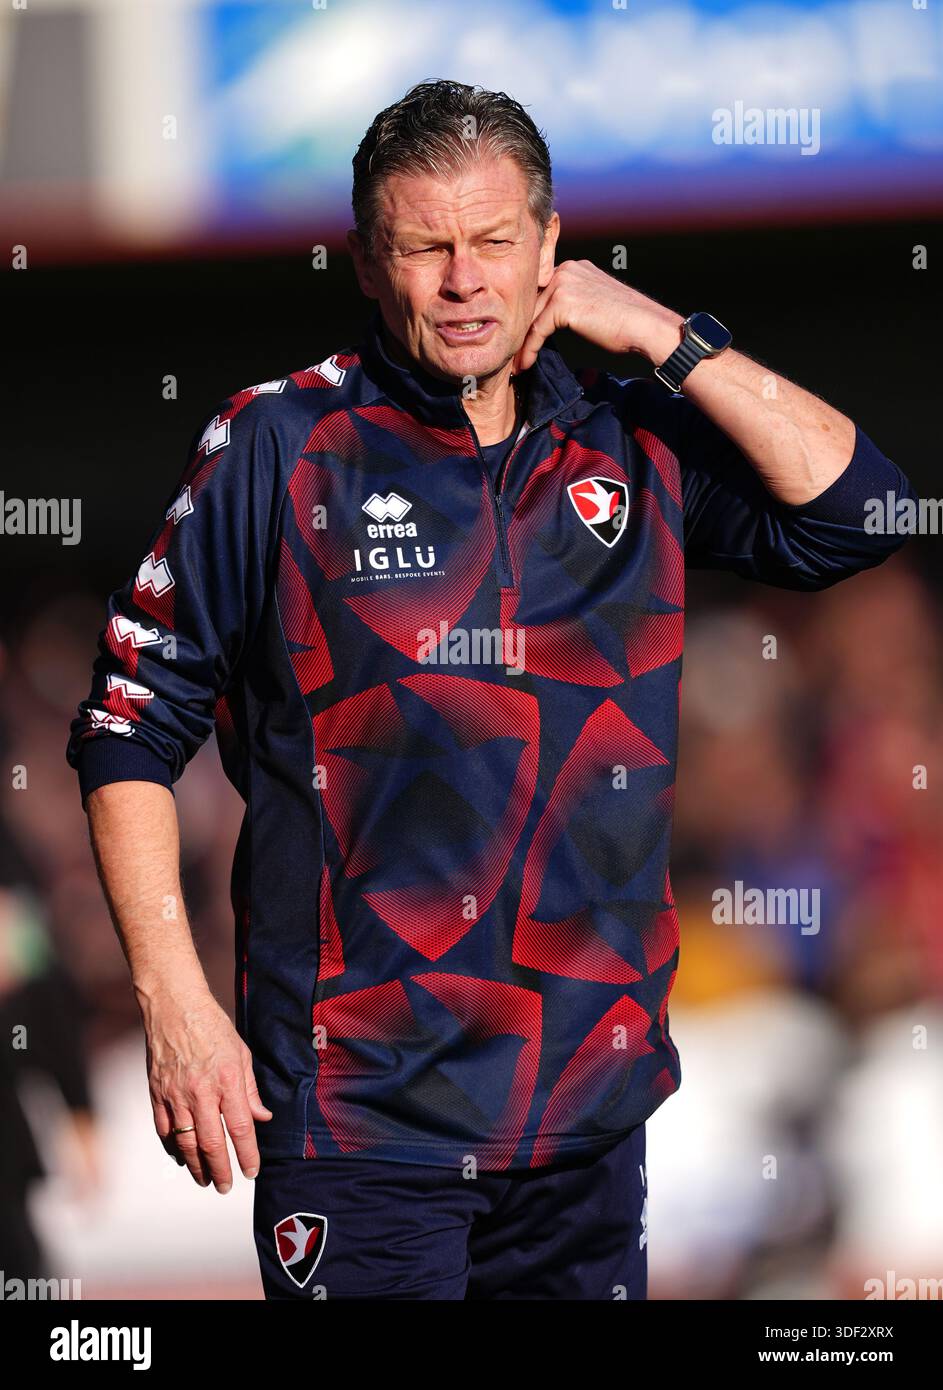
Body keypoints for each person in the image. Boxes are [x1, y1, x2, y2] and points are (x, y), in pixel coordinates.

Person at [65, 79, 915, 1300]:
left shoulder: (631, 435)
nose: (464, 280)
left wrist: (661, 334)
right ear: (367, 263)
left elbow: (861, 510)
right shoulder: (279, 446)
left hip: (585, 1117)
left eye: (495, 241)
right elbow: (124, 729)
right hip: (361, 1119)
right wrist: (177, 1003)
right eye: (424, 247)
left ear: (551, 251)